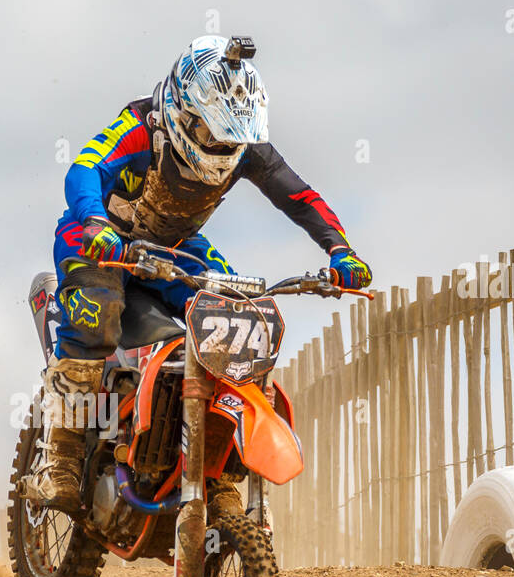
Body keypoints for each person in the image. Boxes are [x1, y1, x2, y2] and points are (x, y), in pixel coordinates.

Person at [27, 35, 373, 516]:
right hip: (100, 237)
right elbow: (84, 170)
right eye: (213, 132)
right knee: (98, 317)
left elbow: (300, 196)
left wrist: (341, 252)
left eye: (234, 133)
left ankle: (220, 466)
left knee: (241, 319)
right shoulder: (141, 125)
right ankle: (61, 456)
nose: (223, 143)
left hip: (175, 243)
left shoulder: (244, 146)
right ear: (183, 112)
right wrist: (95, 222)